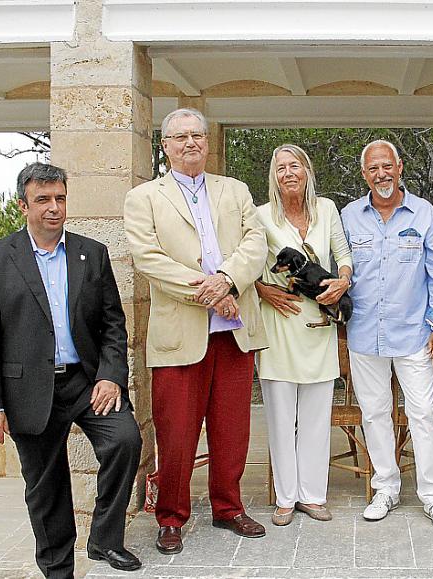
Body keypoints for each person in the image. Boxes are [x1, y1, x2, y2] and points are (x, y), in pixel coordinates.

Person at [0, 163, 142, 577]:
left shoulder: (91, 253)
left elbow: (113, 324)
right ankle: (57, 568)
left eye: (59, 198)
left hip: (85, 382)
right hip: (28, 389)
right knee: (46, 488)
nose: (53, 208)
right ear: (22, 205)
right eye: (43, 200)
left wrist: (109, 376)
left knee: (125, 440)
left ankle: (104, 539)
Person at [124, 108, 269, 554]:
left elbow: (255, 243)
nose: (190, 143)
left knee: (232, 428)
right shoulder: (144, 197)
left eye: (197, 135)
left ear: (207, 142)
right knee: (177, 432)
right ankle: (171, 516)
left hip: (234, 332)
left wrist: (226, 280)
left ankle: (229, 507)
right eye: (179, 136)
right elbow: (149, 259)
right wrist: (208, 292)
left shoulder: (236, 189)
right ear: (164, 145)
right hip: (179, 334)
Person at [340, 139, 433, 531]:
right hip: (364, 334)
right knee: (374, 414)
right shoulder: (350, 216)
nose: (381, 175)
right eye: (373, 169)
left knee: (423, 413)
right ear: (364, 174)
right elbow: (339, 269)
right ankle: (385, 488)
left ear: (400, 166)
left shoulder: (423, 213)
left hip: (413, 335)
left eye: (387, 166)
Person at [255, 144, 352, 526]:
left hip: (319, 322)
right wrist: (263, 290)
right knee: (280, 416)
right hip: (280, 321)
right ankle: (285, 497)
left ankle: (312, 496)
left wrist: (342, 282)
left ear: (307, 171)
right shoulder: (260, 216)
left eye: (295, 166)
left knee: (315, 417)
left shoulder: (326, 209)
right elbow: (247, 263)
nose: (288, 173)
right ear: (273, 178)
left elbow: (343, 254)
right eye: (281, 168)